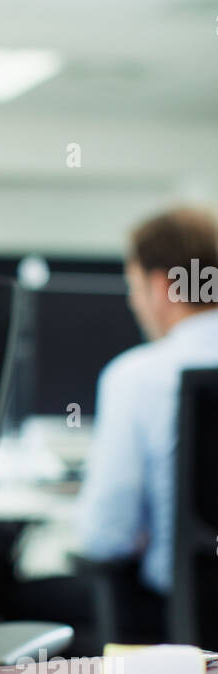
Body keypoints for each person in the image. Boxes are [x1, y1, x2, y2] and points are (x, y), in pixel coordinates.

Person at [76, 206, 218, 617]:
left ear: (161, 287)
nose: (132, 301)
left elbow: (107, 536)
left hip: (179, 623)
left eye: (134, 287)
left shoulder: (137, 376)